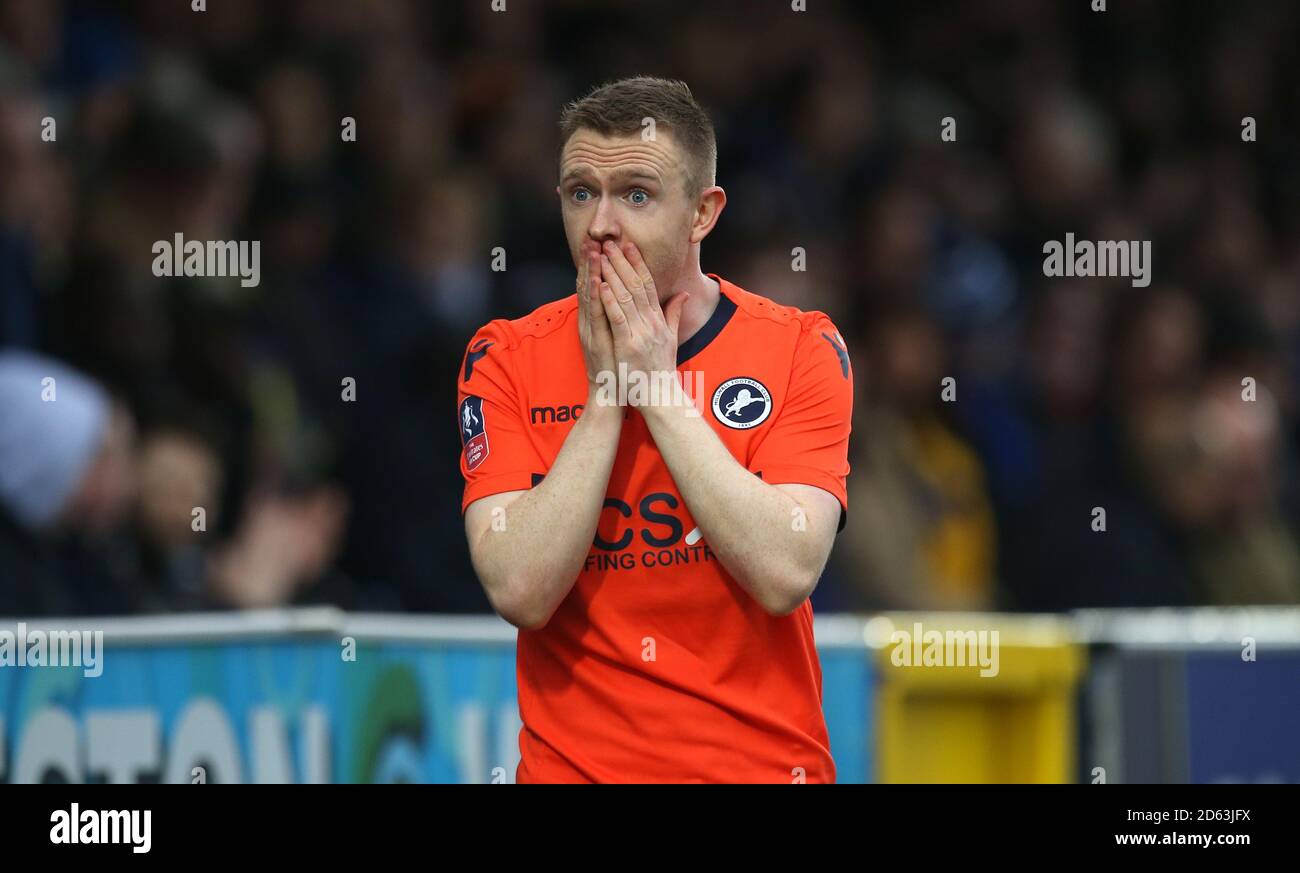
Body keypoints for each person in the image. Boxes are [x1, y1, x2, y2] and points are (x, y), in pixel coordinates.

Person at [458, 77, 852, 783]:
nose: (602, 224)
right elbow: (518, 588)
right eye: (581, 192)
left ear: (703, 213)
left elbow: (786, 571)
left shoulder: (800, 347)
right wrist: (606, 394)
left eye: (636, 194)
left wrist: (657, 388)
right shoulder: (503, 357)